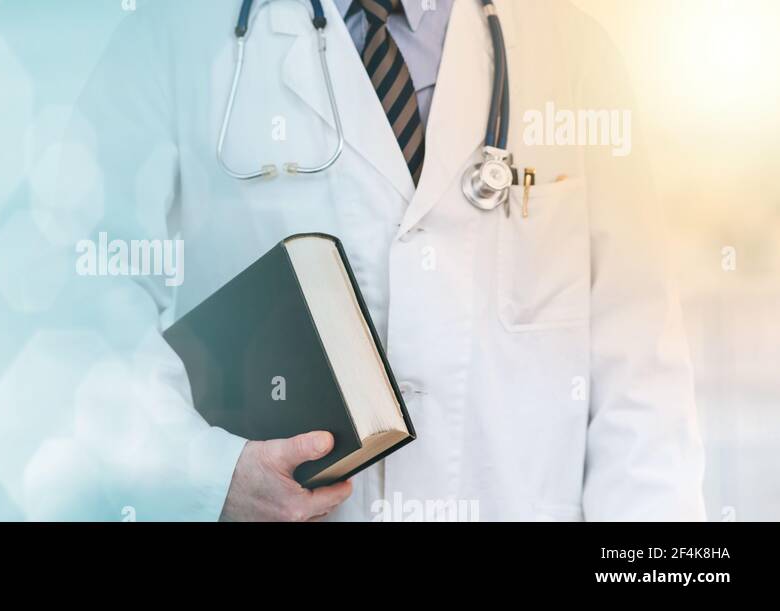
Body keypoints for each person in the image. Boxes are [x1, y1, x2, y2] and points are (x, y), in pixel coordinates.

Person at [68, 0, 704, 521]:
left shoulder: (575, 56)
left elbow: (642, 383)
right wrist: (205, 475)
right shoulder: (171, 38)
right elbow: (80, 293)